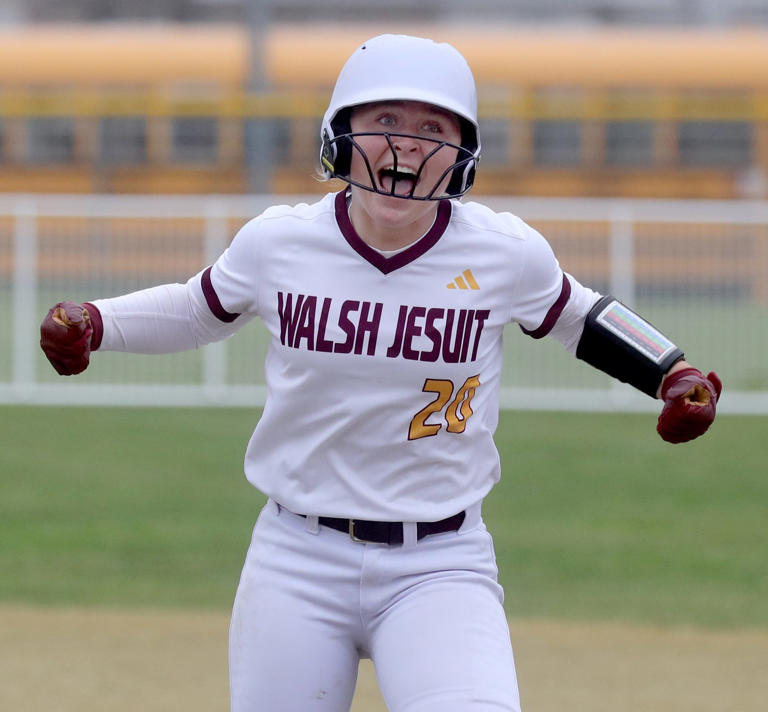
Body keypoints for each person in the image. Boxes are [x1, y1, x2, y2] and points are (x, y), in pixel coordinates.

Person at [40, 34, 722, 712]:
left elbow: (581, 316)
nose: (406, 147)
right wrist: (98, 321)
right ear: (341, 135)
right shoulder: (279, 243)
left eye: (432, 128)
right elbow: (197, 309)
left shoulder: (503, 252)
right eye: (385, 122)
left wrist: (671, 369)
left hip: (441, 560)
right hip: (295, 555)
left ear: (463, 154)